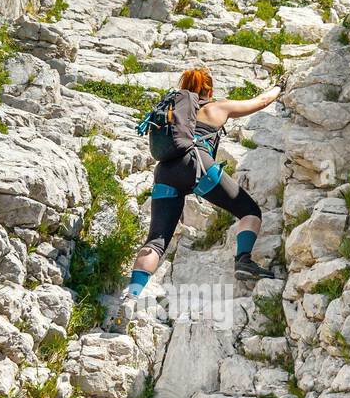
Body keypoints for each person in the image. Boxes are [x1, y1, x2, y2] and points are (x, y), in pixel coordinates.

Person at [109, 67, 283, 330]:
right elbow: (260, 102)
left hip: (165, 172)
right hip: (197, 165)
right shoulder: (216, 108)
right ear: (208, 90)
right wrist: (280, 87)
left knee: (156, 241)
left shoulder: (173, 112)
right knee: (249, 212)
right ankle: (243, 261)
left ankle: (131, 296)